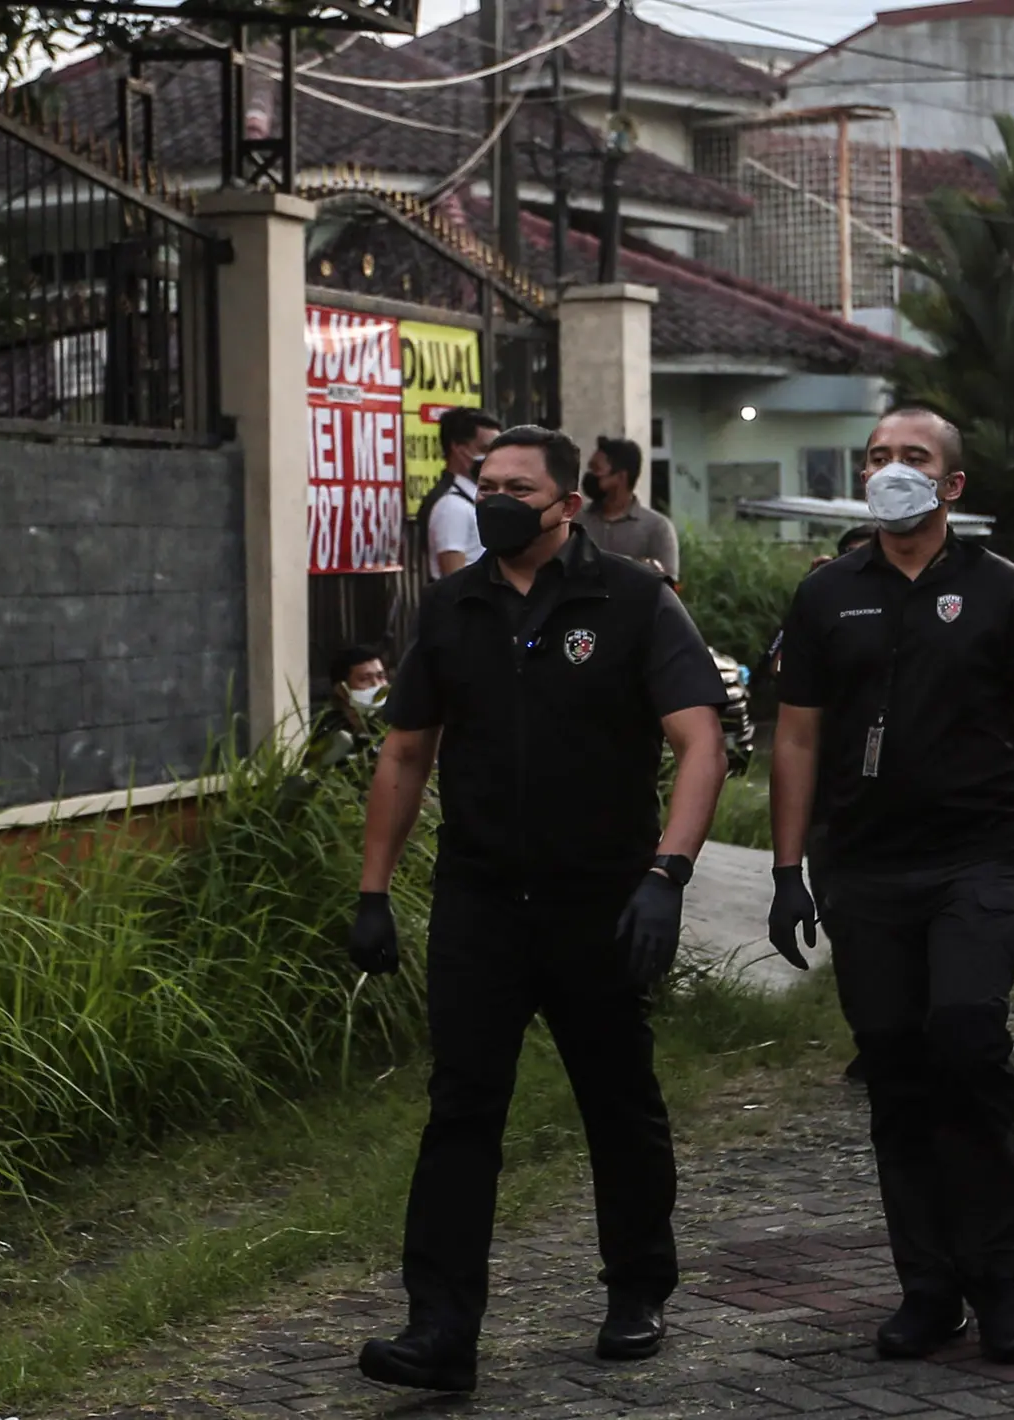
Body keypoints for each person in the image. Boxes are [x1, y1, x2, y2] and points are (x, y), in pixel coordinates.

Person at [346, 425, 729, 1393]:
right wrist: (374, 891)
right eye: (486, 482)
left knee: (616, 1098)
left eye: (518, 485)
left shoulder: (634, 599)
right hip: (480, 900)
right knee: (461, 1108)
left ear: (566, 502)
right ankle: (439, 1332)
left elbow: (699, 741)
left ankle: (637, 1286)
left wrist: (665, 876)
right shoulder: (451, 605)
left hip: (598, 900)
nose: (494, 498)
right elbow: (403, 753)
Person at [765, 408, 1014, 1366]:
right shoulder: (828, 593)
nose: (890, 472)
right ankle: (928, 1289)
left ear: (952, 486)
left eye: (913, 458)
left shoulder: (1003, 596)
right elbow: (796, 736)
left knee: (966, 1042)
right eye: (877, 458)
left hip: (976, 862)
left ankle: (997, 1281)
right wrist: (789, 872)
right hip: (864, 870)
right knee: (896, 1075)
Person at [579, 435, 682, 580]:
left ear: (621, 477)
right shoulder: (576, 522)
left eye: (596, 470)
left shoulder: (657, 529)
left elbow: (667, 589)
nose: (589, 476)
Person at [417, 408, 500, 580]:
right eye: (485, 449)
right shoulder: (451, 507)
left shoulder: (474, 499)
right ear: (458, 449)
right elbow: (454, 580)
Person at [314, 643, 390, 757]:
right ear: (342, 689)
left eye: (381, 677)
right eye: (365, 679)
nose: (376, 685)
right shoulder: (327, 732)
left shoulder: (395, 726)